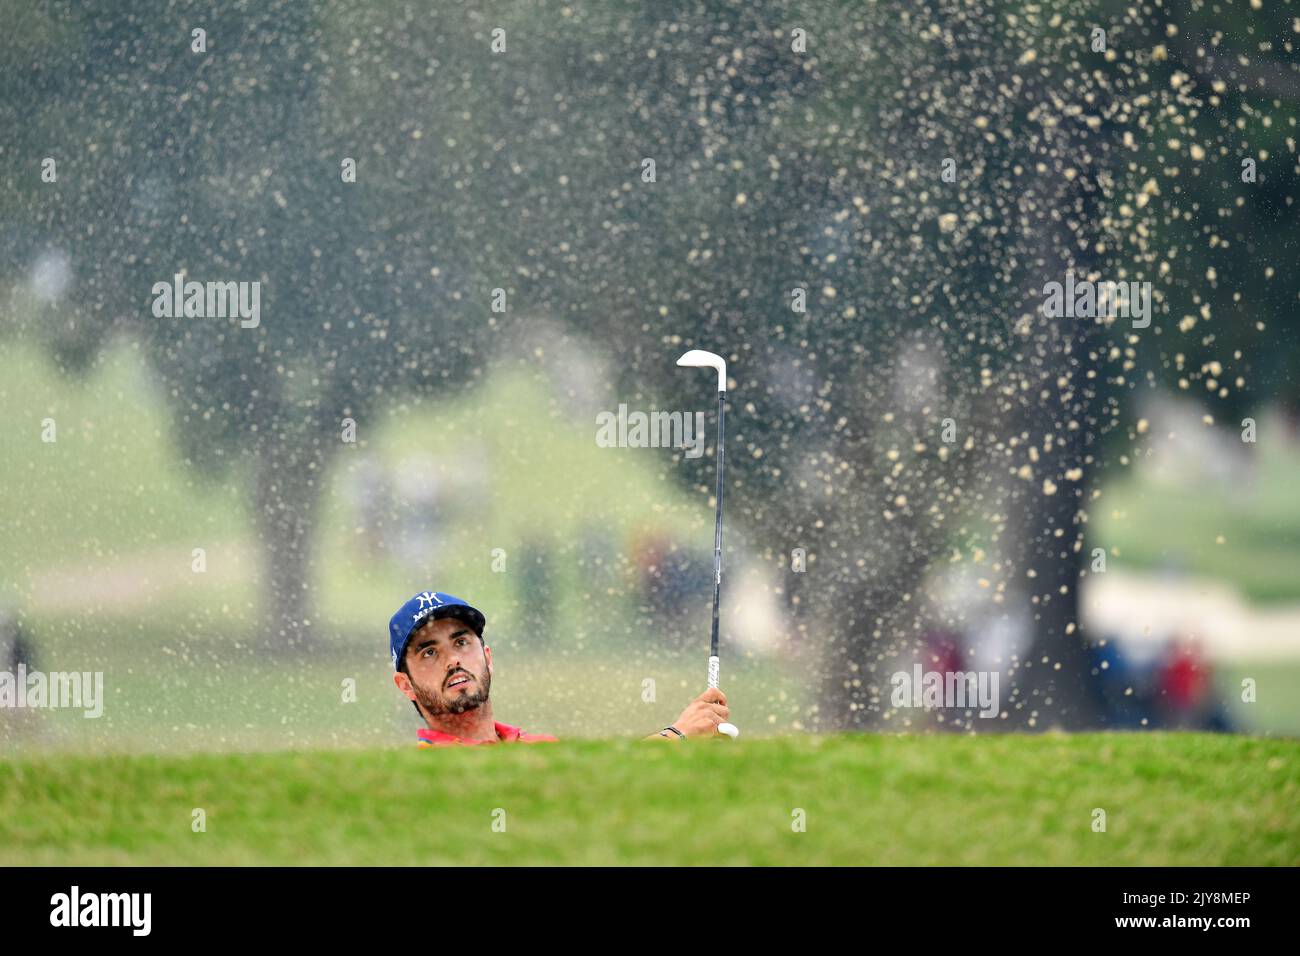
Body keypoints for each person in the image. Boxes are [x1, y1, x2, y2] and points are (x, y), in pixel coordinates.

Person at [389, 591, 731, 747]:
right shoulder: (426, 771)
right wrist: (678, 735)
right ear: (404, 684)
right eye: (430, 652)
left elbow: (609, 783)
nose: (453, 660)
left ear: (488, 656)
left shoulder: (541, 747)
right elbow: (591, 787)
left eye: (461, 642)